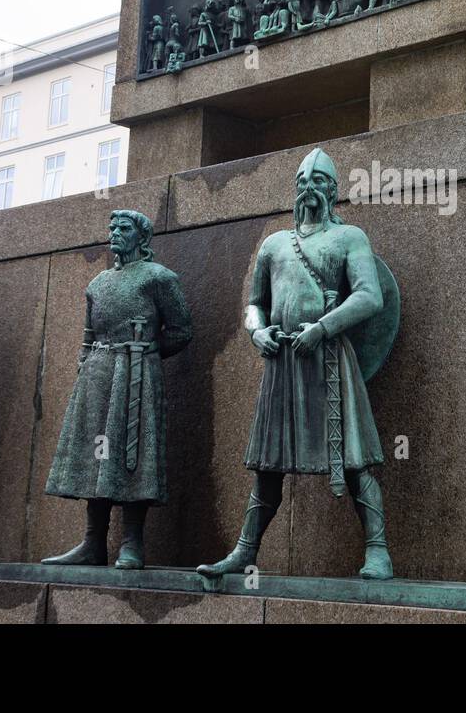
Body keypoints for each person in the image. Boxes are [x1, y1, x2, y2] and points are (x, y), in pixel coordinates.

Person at [199, 148, 395, 581]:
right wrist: (257, 332)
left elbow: (369, 296)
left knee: (355, 458)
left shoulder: (350, 238)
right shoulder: (272, 244)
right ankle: (245, 551)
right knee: (268, 466)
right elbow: (255, 305)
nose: (310, 184)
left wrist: (323, 329)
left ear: (334, 190)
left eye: (321, 179)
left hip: (329, 360)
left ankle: (378, 551)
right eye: (303, 178)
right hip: (283, 364)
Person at [42, 210, 192, 570]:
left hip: (137, 374)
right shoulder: (97, 283)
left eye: (123, 228)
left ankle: (132, 542)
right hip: (97, 376)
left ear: (142, 237)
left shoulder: (158, 278)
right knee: (98, 457)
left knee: (132, 453)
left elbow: (181, 330)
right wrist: (86, 362)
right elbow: (87, 335)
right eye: (112, 228)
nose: (115, 233)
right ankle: (93, 543)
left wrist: (146, 355)